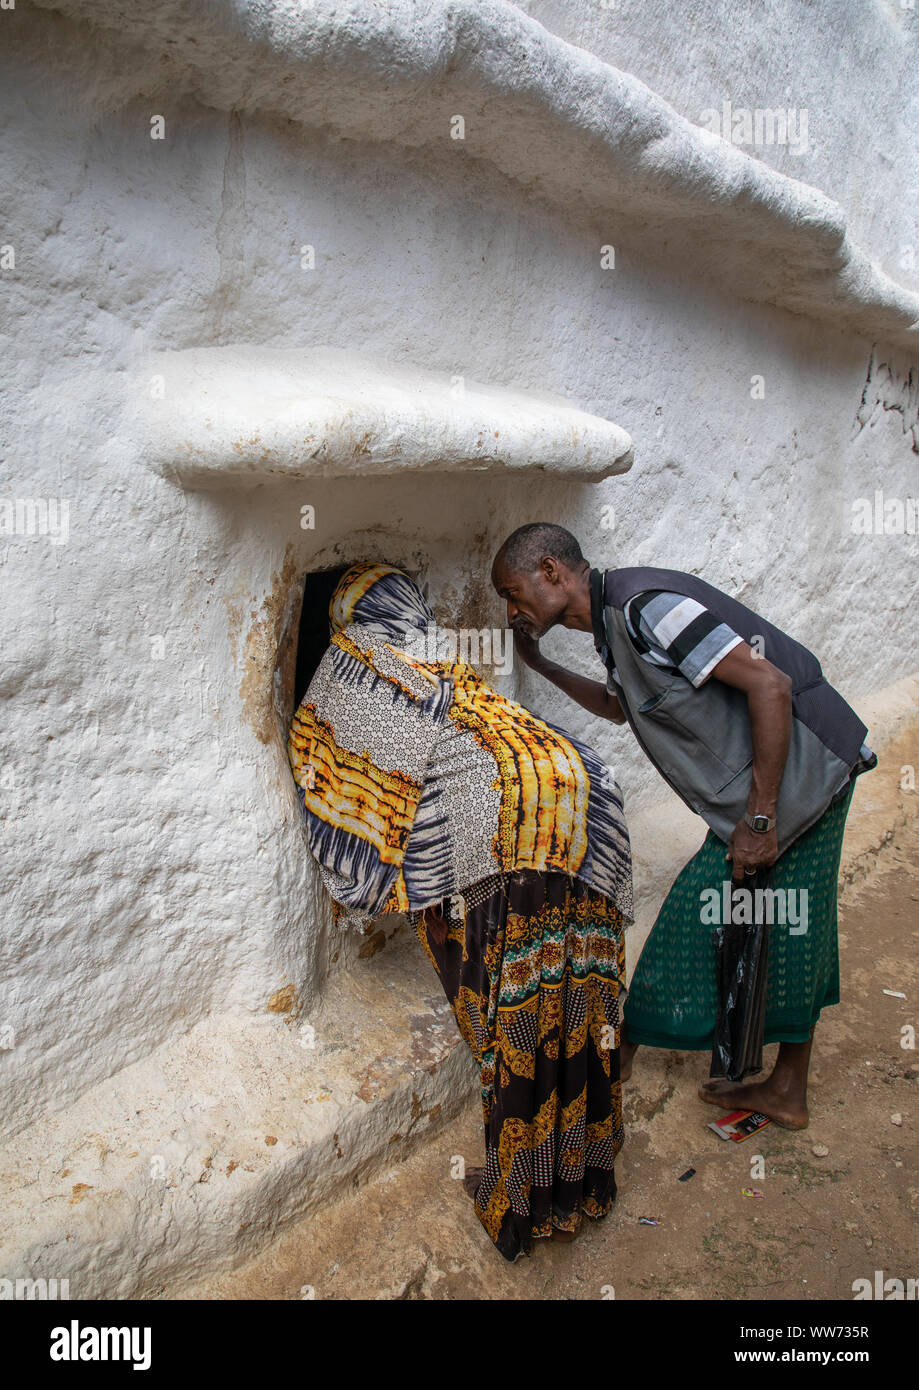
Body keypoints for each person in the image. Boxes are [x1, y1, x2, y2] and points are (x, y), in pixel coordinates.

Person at [287, 561, 634, 1261]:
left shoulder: (354, 663)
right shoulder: (442, 650)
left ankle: (521, 1201)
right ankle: (581, 1183)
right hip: (581, 804)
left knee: (512, 1018)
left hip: (498, 841)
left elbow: (337, 781)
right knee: (575, 1004)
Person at [491, 523, 876, 1130]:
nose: (513, 610)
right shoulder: (615, 626)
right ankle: (784, 1087)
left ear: (551, 570)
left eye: (513, 593)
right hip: (764, 791)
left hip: (810, 772)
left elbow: (770, 686)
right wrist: (538, 665)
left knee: (708, 917)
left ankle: (617, 1064)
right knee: (790, 920)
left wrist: (758, 819)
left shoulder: (650, 607)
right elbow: (621, 707)